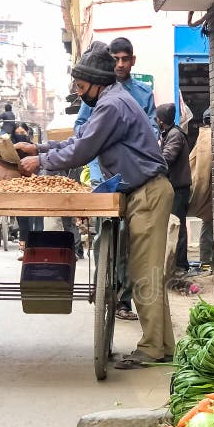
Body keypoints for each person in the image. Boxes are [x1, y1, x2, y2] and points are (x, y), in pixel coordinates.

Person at [16, 41, 173, 367]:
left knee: (144, 274)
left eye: (82, 86)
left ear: (97, 82)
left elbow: (82, 151)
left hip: (149, 193)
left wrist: (41, 163)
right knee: (148, 273)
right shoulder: (110, 101)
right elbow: (79, 139)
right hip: (141, 193)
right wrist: (40, 150)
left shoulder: (111, 105)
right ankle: (162, 346)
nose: (79, 91)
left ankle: (153, 349)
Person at [75, 36, 160, 319]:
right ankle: (104, 288)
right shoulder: (95, 89)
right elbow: (85, 132)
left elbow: (151, 129)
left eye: (126, 59)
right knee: (104, 235)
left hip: (134, 174)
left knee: (128, 241)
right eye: (117, 59)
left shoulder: (139, 93)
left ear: (132, 61)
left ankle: (123, 299)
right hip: (105, 174)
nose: (121, 64)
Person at [156, 102, 191, 276]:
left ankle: (181, 265)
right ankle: (177, 264)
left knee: (178, 226)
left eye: (157, 118)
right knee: (175, 225)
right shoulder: (169, 134)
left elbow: (167, 158)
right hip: (175, 187)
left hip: (179, 188)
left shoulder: (175, 135)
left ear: (161, 121)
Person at [12, 123, 44, 260]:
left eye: (22, 132)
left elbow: (42, 165)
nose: (20, 135)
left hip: (36, 185)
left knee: (38, 217)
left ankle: (37, 246)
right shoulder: (11, 149)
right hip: (18, 186)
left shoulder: (33, 147)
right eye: (17, 133)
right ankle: (23, 247)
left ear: (27, 133)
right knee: (23, 217)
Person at [188, 107, 213, 270]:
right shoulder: (207, 138)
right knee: (209, 224)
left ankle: (207, 260)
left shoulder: (204, 138)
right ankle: (207, 260)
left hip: (212, 191)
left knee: (208, 224)